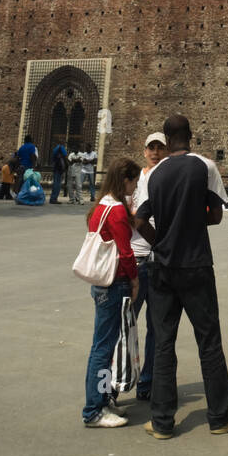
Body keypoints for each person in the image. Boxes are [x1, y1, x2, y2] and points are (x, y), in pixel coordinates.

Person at [134, 114, 228, 439]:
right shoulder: (205, 166)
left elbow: (139, 221)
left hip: (162, 268)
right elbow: (216, 215)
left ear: (167, 140)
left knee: (163, 344)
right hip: (196, 264)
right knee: (209, 342)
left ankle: (161, 422)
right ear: (191, 136)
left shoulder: (153, 174)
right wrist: (192, 222)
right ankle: (220, 417)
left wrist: (162, 240)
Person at [81, 155, 141, 428]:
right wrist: (135, 280)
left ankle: (103, 400)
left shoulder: (100, 206)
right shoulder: (116, 210)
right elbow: (126, 252)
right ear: (124, 179)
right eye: (134, 181)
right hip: (113, 283)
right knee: (103, 348)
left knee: (102, 346)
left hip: (101, 284)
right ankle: (94, 409)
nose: (135, 187)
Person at [128, 132, 169, 403]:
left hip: (156, 261)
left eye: (160, 148)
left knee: (155, 327)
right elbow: (129, 215)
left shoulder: (166, 178)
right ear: (144, 151)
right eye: (151, 148)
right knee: (125, 325)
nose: (155, 152)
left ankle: (146, 383)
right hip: (136, 260)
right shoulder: (136, 179)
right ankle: (119, 380)